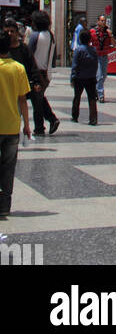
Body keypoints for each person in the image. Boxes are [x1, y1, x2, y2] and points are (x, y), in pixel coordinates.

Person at [0, 29, 31, 220]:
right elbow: (23, 100)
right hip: (12, 126)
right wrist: (27, 125)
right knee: (9, 167)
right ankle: (4, 206)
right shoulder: (18, 68)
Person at [2, 18, 44, 140]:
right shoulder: (2, 49)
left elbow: (32, 66)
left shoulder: (24, 49)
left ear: (17, 32)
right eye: (7, 32)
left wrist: (36, 81)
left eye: (12, 31)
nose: (9, 34)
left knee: (17, 112)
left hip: (19, 87)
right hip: (4, 89)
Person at [26, 12, 60, 136]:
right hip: (47, 73)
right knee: (38, 99)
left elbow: (28, 55)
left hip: (36, 73)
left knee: (36, 101)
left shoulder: (35, 36)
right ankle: (51, 120)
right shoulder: (51, 36)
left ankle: (41, 127)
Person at [70, 31, 99, 125]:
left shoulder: (78, 50)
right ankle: (93, 118)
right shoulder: (94, 50)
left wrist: (73, 77)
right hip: (91, 77)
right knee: (92, 98)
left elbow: (75, 64)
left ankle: (75, 116)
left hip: (79, 77)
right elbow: (96, 64)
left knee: (77, 97)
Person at [90, 15, 114, 104]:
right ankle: (101, 94)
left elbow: (114, 44)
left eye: (104, 21)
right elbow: (88, 42)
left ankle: (97, 89)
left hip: (104, 56)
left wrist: (111, 35)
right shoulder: (92, 32)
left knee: (104, 75)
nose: (103, 22)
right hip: (97, 56)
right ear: (98, 21)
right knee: (99, 76)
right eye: (102, 20)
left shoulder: (107, 33)